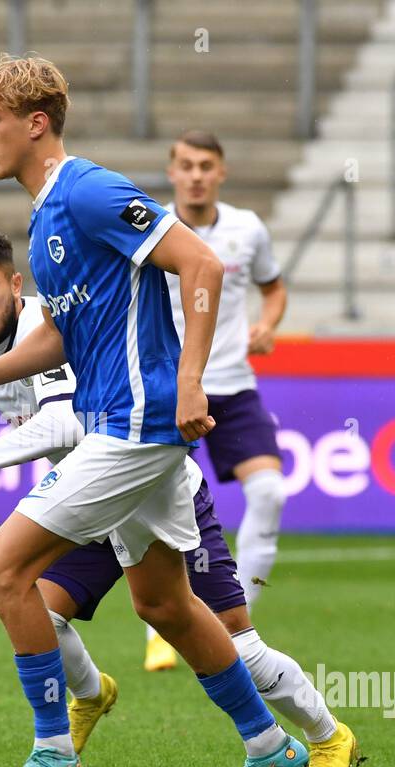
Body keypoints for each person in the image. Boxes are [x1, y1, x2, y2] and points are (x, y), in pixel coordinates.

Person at [0, 55, 307, 767]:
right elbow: (57, 340)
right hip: (117, 424)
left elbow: (203, 264)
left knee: (0, 570)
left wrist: (189, 381)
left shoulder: (87, 191)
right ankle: (270, 746)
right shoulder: (47, 214)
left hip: (136, 427)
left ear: (35, 123)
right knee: (165, 606)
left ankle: (53, 750)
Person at [143, 131, 292, 673]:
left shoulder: (247, 228)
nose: (197, 175)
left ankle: (236, 624)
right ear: (172, 171)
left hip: (232, 383)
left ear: (221, 172)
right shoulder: (150, 227)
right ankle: (159, 630)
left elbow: (273, 288)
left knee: (271, 491)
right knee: (160, 510)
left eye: (206, 165)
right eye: (186, 165)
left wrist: (268, 324)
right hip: (169, 387)